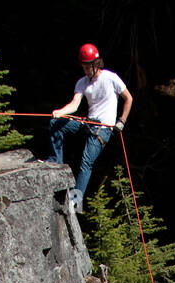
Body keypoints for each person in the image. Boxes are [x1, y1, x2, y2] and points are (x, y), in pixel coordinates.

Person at [47, 43, 133, 207]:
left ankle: (74, 203)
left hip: (103, 130)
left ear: (96, 64)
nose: (85, 70)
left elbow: (128, 98)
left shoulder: (111, 78)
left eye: (88, 67)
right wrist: (61, 112)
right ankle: (55, 163)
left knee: (86, 163)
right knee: (55, 123)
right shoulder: (82, 82)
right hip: (87, 124)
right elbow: (74, 104)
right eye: (83, 67)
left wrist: (122, 120)